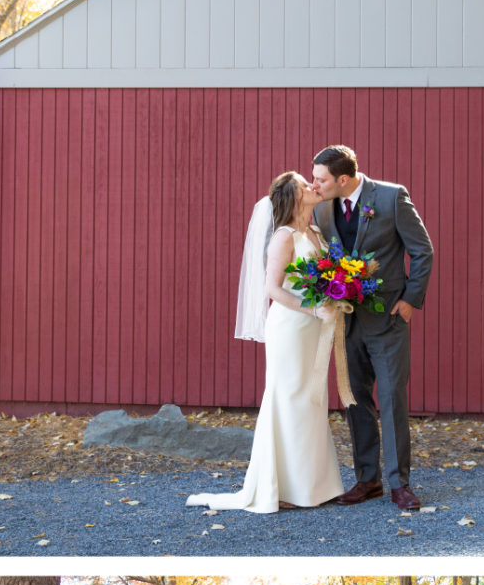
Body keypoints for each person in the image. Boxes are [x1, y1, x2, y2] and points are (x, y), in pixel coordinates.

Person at [186, 172, 343, 514]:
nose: (313, 187)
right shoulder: (284, 238)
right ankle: (282, 486)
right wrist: (314, 308)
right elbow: (272, 289)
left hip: (315, 326)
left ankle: (313, 485)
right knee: (288, 397)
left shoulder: (314, 232)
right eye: (305, 185)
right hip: (291, 325)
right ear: (293, 197)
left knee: (313, 396)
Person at [311, 144, 434, 512]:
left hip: (388, 319)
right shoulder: (321, 207)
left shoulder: (392, 198)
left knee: (393, 397)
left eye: (321, 179)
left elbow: (422, 250)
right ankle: (368, 480)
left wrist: (411, 300)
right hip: (345, 322)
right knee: (355, 401)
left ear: (343, 180)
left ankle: (400, 484)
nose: (315, 185)